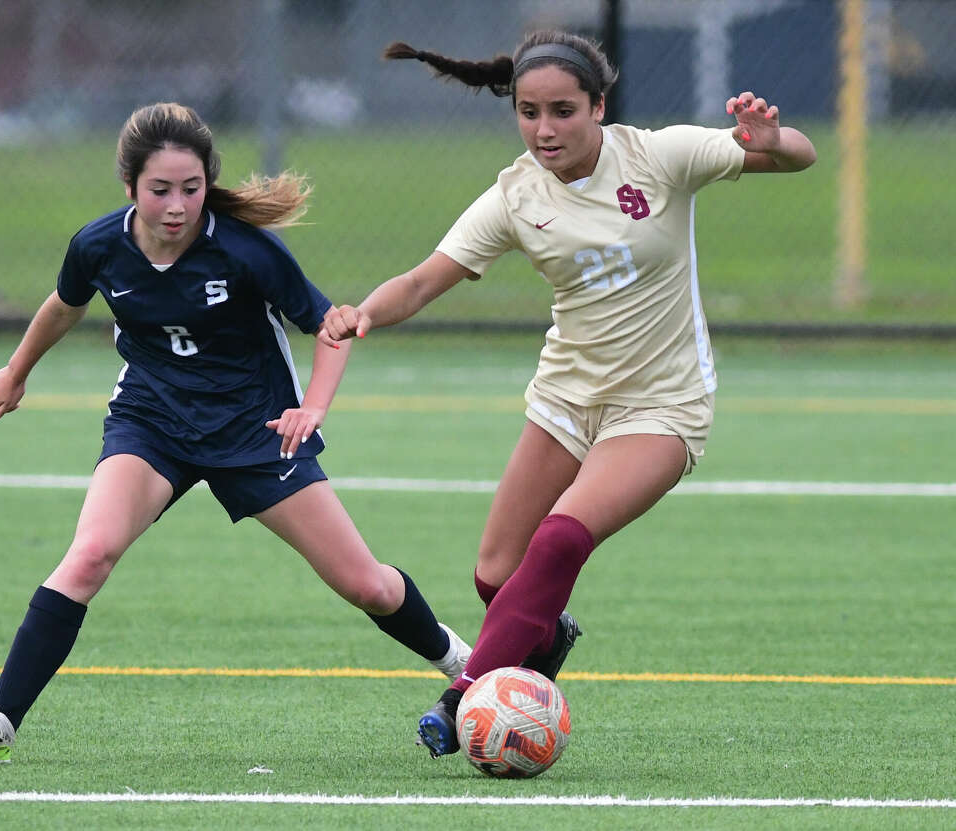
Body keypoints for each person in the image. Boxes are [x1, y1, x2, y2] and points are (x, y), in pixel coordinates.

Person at [319, 31, 817, 758]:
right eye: (529, 112)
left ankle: (463, 697)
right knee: (497, 575)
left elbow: (796, 154)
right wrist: (365, 312)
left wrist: (774, 138)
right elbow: (425, 279)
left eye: (562, 111)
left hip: (661, 406)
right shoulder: (515, 195)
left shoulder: (659, 156)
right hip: (566, 399)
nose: (545, 129)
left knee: (559, 539)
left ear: (599, 107)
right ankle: (545, 639)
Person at [0, 102, 471, 765]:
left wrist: (315, 409)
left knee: (367, 584)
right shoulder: (99, 245)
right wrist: (15, 371)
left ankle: (464, 664)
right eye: (160, 189)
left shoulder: (246, 250)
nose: (177, 205)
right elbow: (63, 304)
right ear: (128, 185)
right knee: (91, 553)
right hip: (152, 422)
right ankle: (0, 722)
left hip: (258, 429)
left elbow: (332, 328)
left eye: (191, 188)